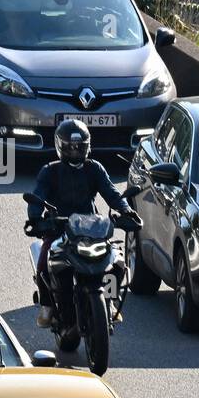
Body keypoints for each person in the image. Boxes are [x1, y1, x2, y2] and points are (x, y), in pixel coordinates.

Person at [26, 119, 137, 328]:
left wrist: (126, 210)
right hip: (59, 227)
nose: (76, 151)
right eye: (70, 147)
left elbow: (112, 193)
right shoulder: (49, 171)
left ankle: (110, 301)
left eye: (80, 147)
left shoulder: (94, 168)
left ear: (88, 146)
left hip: (92, 228)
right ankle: (47, 306)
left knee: (118, 262)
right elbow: (37, 196)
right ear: (60, 147)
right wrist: (35, 218)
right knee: (44, 264)